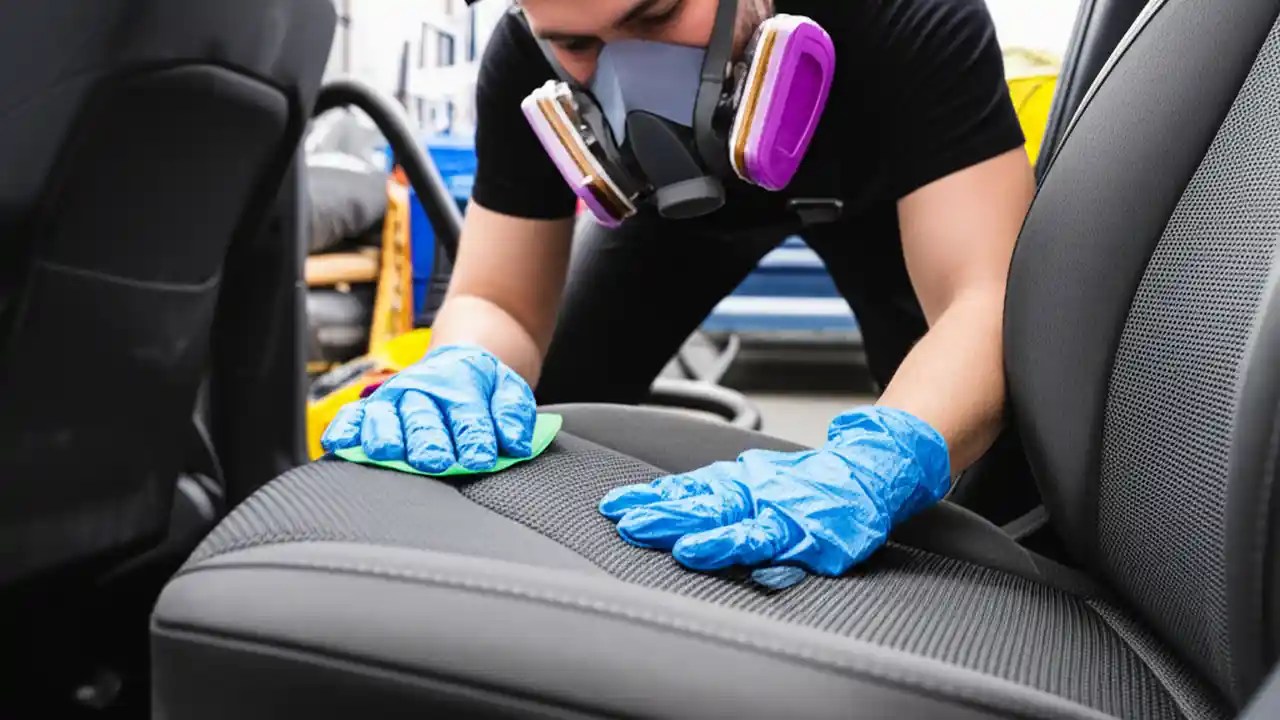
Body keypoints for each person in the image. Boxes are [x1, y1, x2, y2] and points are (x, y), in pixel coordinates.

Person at [323, 0, 1038, 585]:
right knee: (546, 401)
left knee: (967, 470)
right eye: (577, 43)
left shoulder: (906, 15)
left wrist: (874, 464)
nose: (630, 79)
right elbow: (500, 303)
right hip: (669, 213)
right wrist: (458, 367)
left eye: (657, 16)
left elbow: (983, 298)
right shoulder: (526, 54)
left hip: (882, 202)